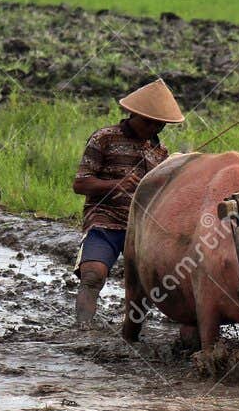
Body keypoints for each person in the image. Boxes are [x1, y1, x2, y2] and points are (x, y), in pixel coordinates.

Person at [71, 78, 184, 323]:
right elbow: (80, 184)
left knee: (148, 287)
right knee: (92, 275)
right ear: (132, 114)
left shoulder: (161, 153)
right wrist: (116, 185)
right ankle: (82, 330)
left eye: (159, 125)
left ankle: (133, 332)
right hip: (105, 220)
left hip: (143, 228)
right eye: (147, 122)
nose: (152, 129)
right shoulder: (104, 139)